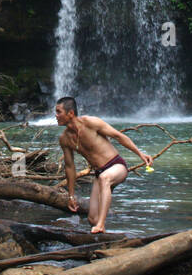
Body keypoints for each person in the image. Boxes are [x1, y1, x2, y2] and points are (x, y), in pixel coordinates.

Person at [55, 95, 153, 234]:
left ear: (70, 113)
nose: (56, 115)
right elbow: (70, 167)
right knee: (92, 218)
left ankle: (101, 225)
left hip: (116, 165)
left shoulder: (91, 123)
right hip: (99, 173)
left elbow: (118, 136)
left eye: (59, 112)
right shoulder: (64, 139)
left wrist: (141, 154)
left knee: (105, 178)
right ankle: (105, 239)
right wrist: (71, 196)